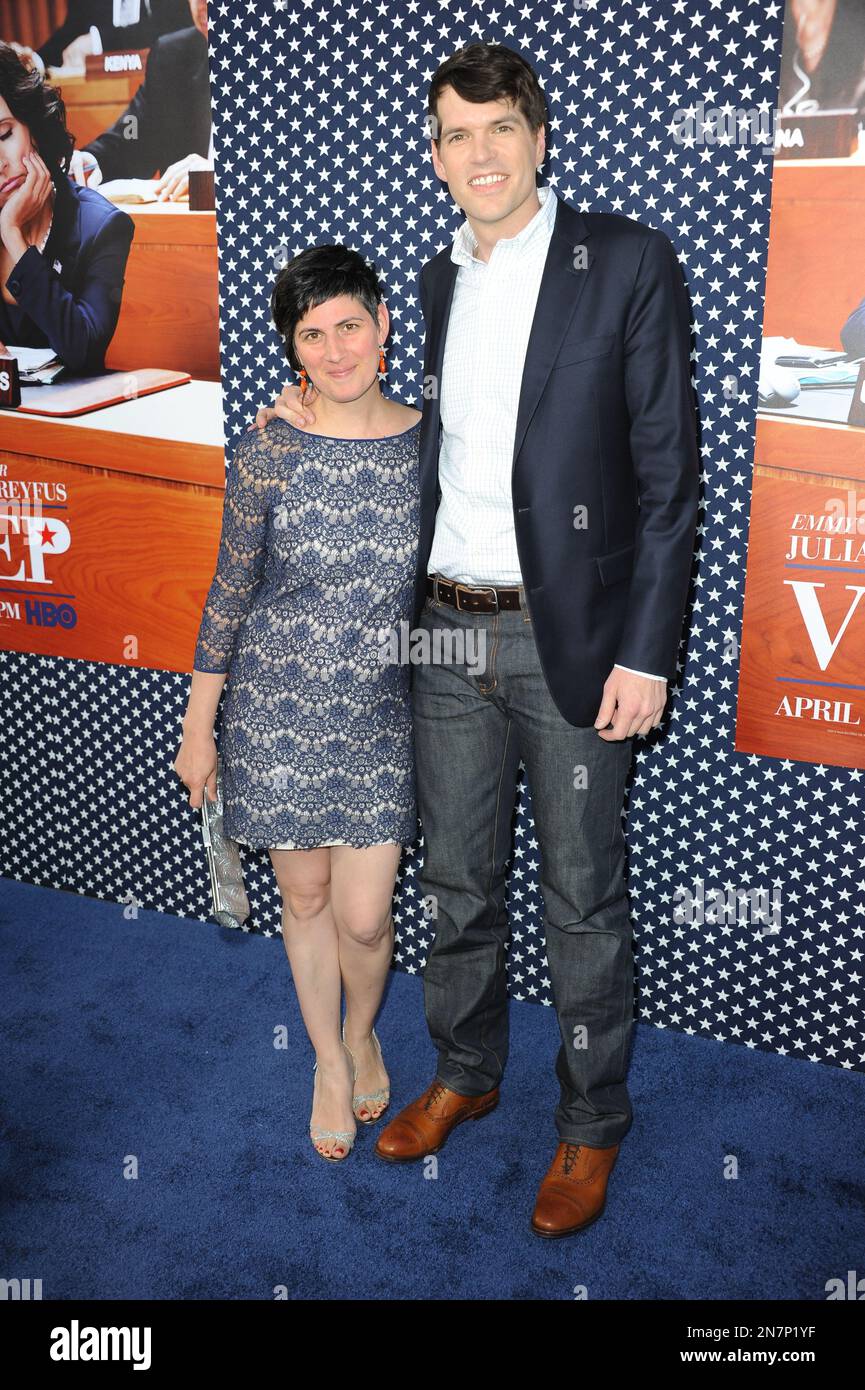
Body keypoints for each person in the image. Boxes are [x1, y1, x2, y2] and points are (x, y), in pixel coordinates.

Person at [255, 42, 699, 1235]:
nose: (478, 152)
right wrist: (302, 412)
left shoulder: (627, 264)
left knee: (581, 899)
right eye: (453, 134)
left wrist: (646, 652)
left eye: (497, 126)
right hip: (443, 633)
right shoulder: (437, 281)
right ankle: (465, 1067)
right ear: (438, 156)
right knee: (456, 882)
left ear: (539, 137)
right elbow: (402, 424)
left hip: (573, 644)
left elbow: (669, 484)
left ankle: (589, 1124)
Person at [174, 245, 422, 1163]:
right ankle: (327, 1056)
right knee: (305, 894)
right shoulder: (268, 448)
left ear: (382, 324)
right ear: (292, 350)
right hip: (273, 710)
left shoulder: (429, 444)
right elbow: (228, 591)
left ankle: (365, 1029)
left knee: (366, 915)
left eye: (347, 324)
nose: (332, 349)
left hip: (380, 715)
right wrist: (199, 727)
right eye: (309, 335)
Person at [0, 42, 134, 374]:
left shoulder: (99, 225)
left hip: (71, 418)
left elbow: (83, 350)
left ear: (33, 126)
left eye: (4, 135)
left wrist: (13, 235)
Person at [67, 0, 212, 203]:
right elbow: (132, 132)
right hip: (180, 225)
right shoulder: (172, 55)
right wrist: (91, 160)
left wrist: (216, 172)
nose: (201, 4)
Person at [9, 1, 192, 75]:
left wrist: (99, 41)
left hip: (161, 75)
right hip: (103, 87)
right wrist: (34, 60)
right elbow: (73, 29)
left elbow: (169, 26)